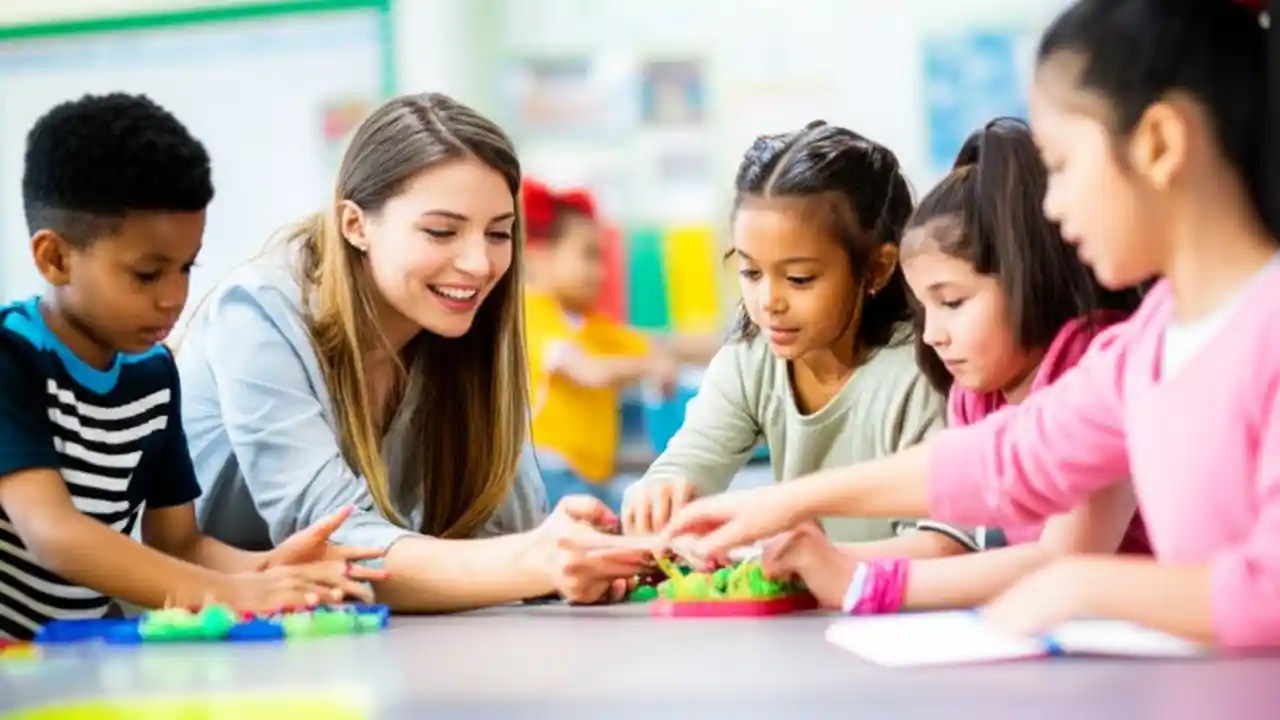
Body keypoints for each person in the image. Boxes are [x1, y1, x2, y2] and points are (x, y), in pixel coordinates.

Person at [660, 0, 1280, 649]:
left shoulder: (1263, 332)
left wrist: (1080, 585)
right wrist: (784, 503)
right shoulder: (1148, 344)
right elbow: (1003, 459)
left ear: (1158, 143)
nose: (1051, 205)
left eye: (1062, 165)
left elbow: (1266, 591)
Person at [178, 93, 649, 611]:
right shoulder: (257, 314)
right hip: (188, 641)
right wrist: (535, 560)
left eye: (498, 233)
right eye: (441, 231)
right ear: (355, 224)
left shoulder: (454, 332)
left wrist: (588, 555)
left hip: (331, 641)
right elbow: (335, 546)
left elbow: (507, 531)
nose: (478, 263)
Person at [0, 93, 379, 641]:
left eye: (186, 267)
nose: (175, 298)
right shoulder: (12, 358)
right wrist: (232, 593)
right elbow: (54, 534)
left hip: (71, 656)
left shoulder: (152, 373)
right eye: (148, 274)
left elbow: (179, 543)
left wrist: (267, 571)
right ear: (54, 258)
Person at [748, 118, 1148, 612]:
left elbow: (1061, 558)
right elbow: (956, 516)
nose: (932, 333)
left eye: (953, 302)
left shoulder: (1095, 365)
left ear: (1028, 278)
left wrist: (867, 583)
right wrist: (807, 560)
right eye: (922, 309)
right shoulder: (976, 394)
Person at [622, 121, 956, 545]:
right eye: (750, 271)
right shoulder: (750, 360)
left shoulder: (921, 372)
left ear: (877, 268)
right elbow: (690, 461)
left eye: (799, 278)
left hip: (899, 607)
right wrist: (659, 497)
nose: (768, 301)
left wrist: (822, 567)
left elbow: (944, 541)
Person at [521, 179, 681, 511]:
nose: (601, 272)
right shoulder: (530, 312)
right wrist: (650, 366)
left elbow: (655, 346)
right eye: (588, 256)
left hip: (591, 479)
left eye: (603, 259)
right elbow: (588, 371)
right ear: (540, 258)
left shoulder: (593, 326)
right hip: (549, 474)